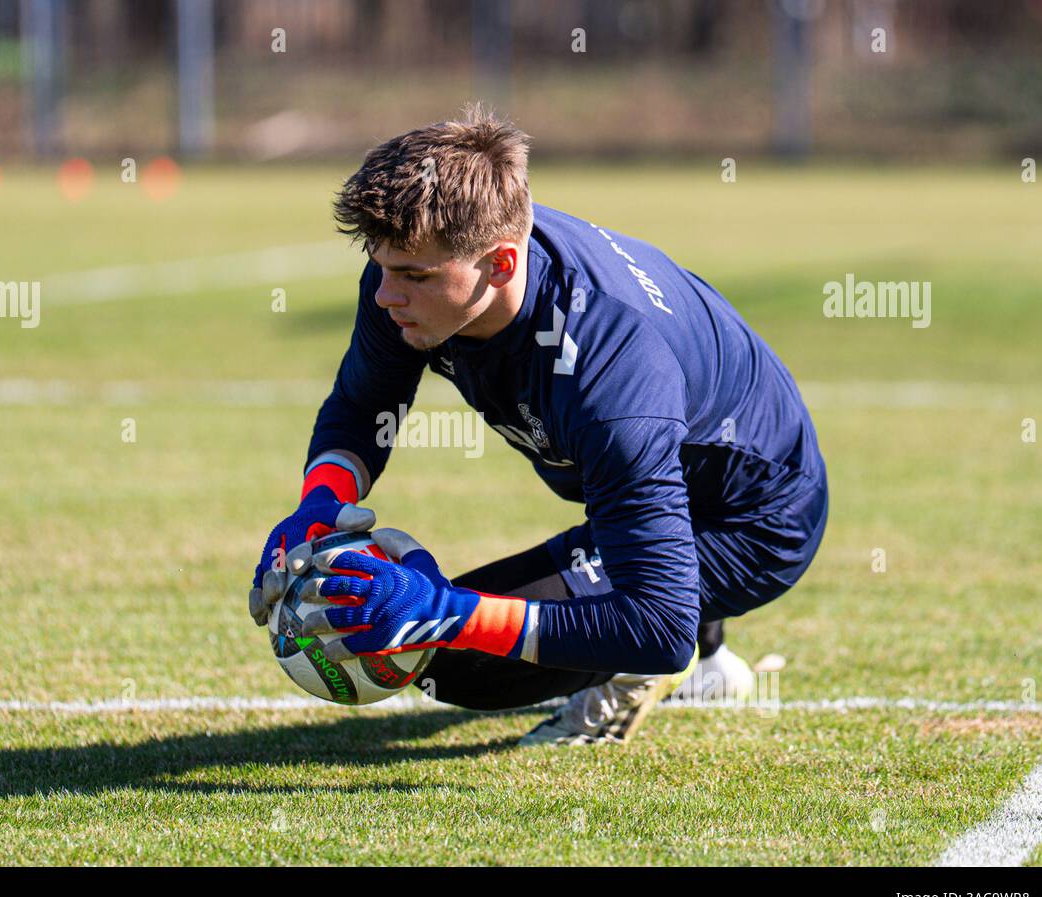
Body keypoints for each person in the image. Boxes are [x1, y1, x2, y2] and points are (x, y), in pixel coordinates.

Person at [248, 106, 828, 745]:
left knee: (455, 663)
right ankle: (711, 662)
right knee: (619, 513)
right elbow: (362, 405)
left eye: (413, 276)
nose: (385, 294)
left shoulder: (610, 377)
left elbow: (657, 626)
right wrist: (318, 506)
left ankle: (660, 654)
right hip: (667, 463)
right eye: (380, 266)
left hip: (751, 519)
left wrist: (442, 614)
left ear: (500, 264)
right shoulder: (420, 264)